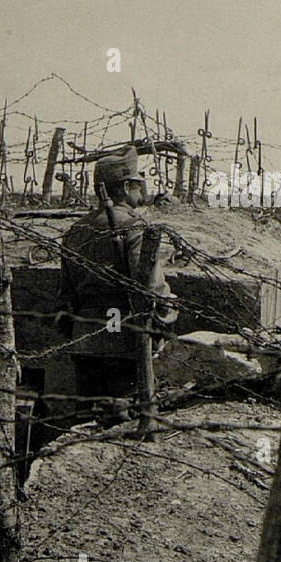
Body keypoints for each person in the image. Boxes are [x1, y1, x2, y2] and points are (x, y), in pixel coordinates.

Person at [58, 146, 178, 403]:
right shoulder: (134, 226)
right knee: (123, 416)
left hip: (86, 338)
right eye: (136, 185)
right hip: (124, 341)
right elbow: (149, 286)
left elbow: (66, 294)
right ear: (124, 188)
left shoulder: (75, 231)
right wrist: (168, 315)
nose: (140, 191)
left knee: (88, 416)